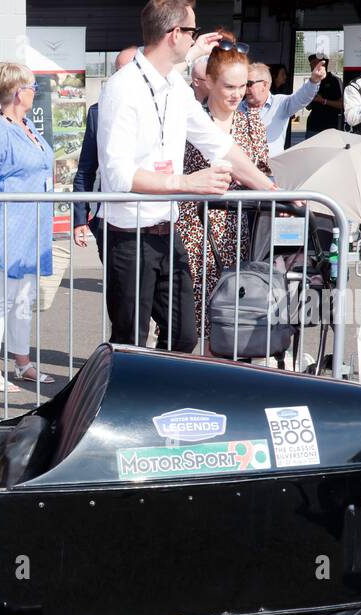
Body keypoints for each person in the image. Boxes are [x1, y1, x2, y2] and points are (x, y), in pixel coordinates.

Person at [98, 0, 275, 352]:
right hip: (128, 236)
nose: (198, 41)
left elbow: (219, 145)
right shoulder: (122, 88)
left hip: (166, 229)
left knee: (183, 335)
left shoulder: (175, 88)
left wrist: (272, 189)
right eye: (193, 32)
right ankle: (125, 402)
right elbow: (118, 175)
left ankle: (162, 400)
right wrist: (187, 183)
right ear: (174, 35)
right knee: (130, 342)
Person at [0, 61, 55, 392]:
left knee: (23, 300)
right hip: (7, 228)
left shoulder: (27, 126)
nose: (36, 92)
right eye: (33, 87)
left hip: (32, 230)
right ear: (19, 92)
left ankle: (22, 363)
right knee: (3, 298)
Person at [176, 45, 274, 328]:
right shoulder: (191, 120)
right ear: (209, 81)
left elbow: (262, 170)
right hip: (194, 227)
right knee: (191, 316)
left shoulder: (252, 122)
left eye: (243, 86)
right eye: (229, 86)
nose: (237, 94)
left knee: (231, 313)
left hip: (238, 229)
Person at [72, 47, 137, 261]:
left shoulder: (162, 110)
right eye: (118, 71)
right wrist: (81, 218)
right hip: (111, 222)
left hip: (152, 221)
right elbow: (85, 170)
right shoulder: (97, 113)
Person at [242, 59, 326, 157]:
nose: (245, 88)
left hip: (270, 170)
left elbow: (301, 98)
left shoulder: (280, 103)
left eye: (249, 84)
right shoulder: (234, 108)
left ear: (264, 84)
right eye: (242, 84)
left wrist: (313, 81)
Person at [305, 53, 344, 134]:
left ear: (324, 65)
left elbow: (342, 105)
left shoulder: (335, 81)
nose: (312, 66)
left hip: (330, 128)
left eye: (315, 63)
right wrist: (310, 99)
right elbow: (308, 107)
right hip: (313, 127)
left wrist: (323, 100)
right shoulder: (311, 82)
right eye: (311, 64)